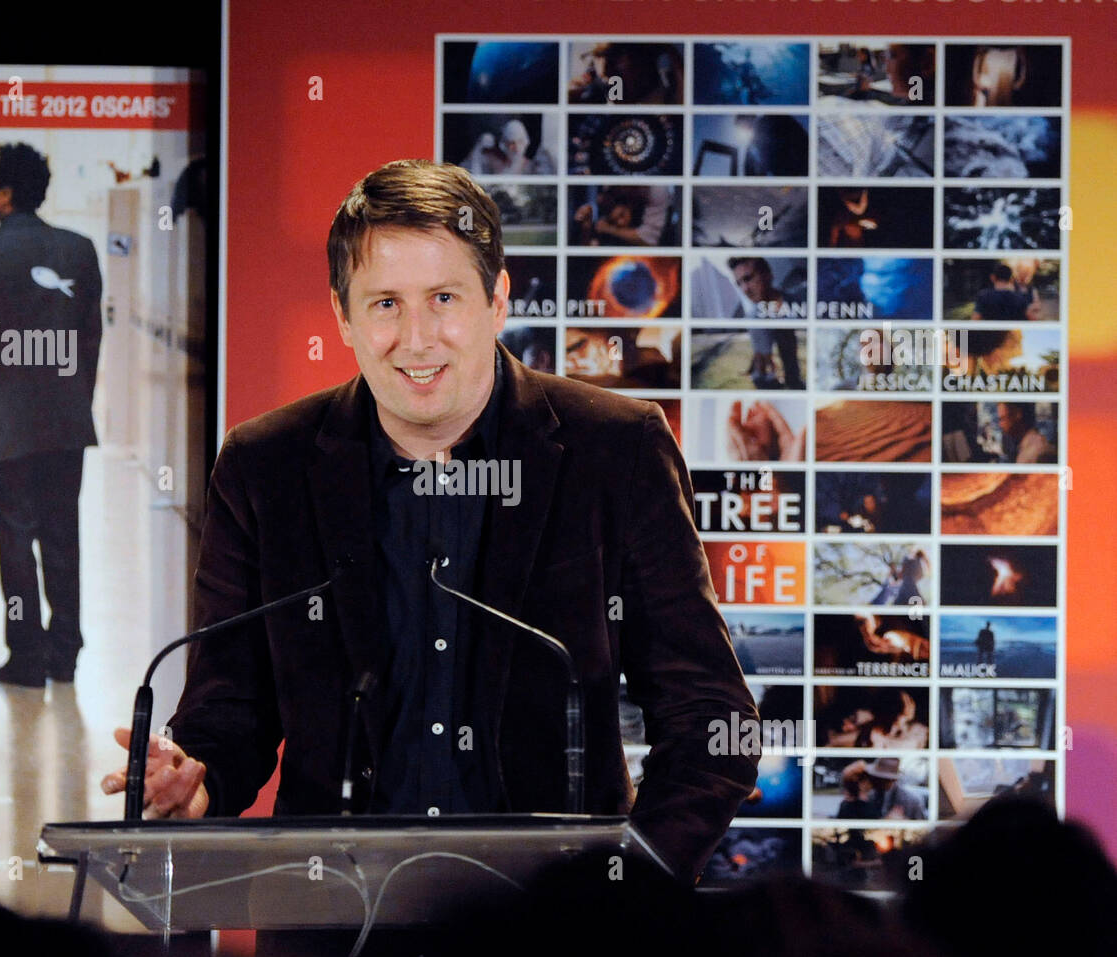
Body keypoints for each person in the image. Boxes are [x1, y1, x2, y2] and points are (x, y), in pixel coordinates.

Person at [101, 159, 759, 883]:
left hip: (559, 927)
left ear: (498, 299)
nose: (416, 338)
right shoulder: (265, 467)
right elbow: (230, 711)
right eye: (384, 303)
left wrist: (630, 884)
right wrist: (198, 781)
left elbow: (712, 721)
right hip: (331, 920)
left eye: (443, 297)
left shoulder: (615, 448)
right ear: (342, 315)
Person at [0, 143, 102, 687]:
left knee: (15, 542)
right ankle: (66, 653)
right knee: (63, 535)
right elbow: (88, 345)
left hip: (2, 427)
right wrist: (76, 402)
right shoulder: (79, 253)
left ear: (6, 194)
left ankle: (26, 656)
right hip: (65, 424)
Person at [727, 257, 802, 388]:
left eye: (748, 278)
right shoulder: (754, 318)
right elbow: (762, 360)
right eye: (739, 283)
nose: (745, 289)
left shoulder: (801, 298)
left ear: (768, 275)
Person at [973, 263, 1041, 321]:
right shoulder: (1020, 298)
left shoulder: (983, 296)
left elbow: (974, 320)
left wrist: (964, 337)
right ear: (1010, 279)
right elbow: (1033, 319)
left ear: (992, 277)